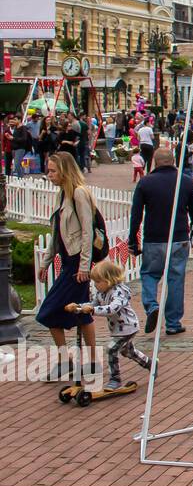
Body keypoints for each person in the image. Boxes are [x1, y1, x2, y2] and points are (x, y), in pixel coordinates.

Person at [35, 152, 100, 379]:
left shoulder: (79, 193)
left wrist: (84, 266)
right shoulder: (61, 194)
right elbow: (56, 234)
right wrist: (47, 261)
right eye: (49, 170)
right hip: (67, 261)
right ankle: (74, 361)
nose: (49, 175)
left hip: (76, 264)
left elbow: (86, 231)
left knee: (51, 310)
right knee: (80, 311)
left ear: (65, 170)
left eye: (53, 171)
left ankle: (80, 361)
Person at [128, 146, 193, 336]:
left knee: (149, 275)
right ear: (173, 161)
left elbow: (136, 215)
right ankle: (173, 322)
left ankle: (152, 305)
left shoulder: (145, 183)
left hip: (154, 238)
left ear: (154, 162)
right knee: (176, 279)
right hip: (179, 237)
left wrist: (132, 240)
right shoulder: (185, 182)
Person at [64, 260, 153, 391]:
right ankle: (150, 364)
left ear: (109, 280)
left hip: (128, 327)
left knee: (111, 349)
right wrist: (78, 306)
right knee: (127, 351)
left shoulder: (119, 292)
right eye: (94, 281)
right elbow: (93, 304)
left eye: (98, 282)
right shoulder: (101, 292)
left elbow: (112, 308)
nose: (95, 285)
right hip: (117, 329)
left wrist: (93, 311)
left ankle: (115, 379)